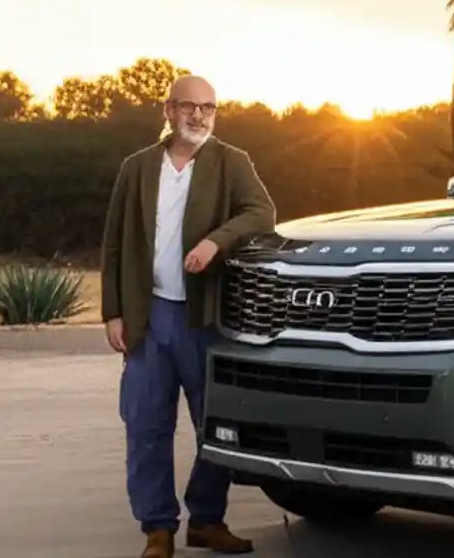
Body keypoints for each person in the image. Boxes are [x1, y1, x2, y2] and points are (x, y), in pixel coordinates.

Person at [100, 74, 275, 558]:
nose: (198, 115)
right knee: (146, 425)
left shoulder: (231, 162)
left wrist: (216, 241)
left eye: (209, 108)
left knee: (214, 425)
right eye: (189, 106)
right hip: (147, 315)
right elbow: (113, 243)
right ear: (168, 110)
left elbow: (262, 212)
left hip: (203, 317)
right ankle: (158, 529)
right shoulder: (137, 168)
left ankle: (206, 519)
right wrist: (113, 311)